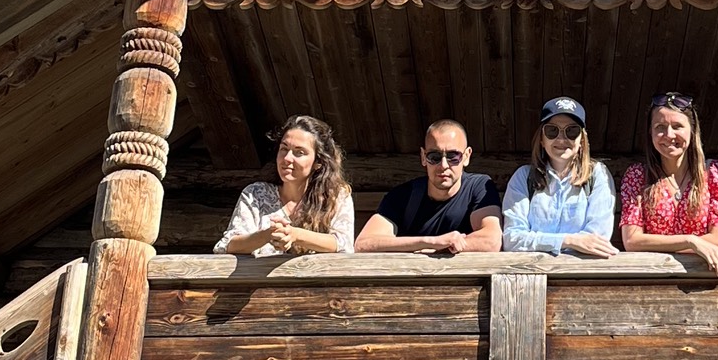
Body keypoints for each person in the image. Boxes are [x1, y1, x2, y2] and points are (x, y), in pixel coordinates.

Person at [619, 91, 718, 277]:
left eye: (677, 126)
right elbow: (632, 241)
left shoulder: (715, 173)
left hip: (703, 279)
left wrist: (660, 245)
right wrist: (691, 242)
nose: (668, 134)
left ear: (692, 129)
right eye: (660, 127)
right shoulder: (637, 176)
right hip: (651, 279)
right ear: (650, 132)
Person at [355, 119, 503, 254]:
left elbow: (491, 241)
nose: (443, 165)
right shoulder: (403, 195)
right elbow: (364, 244)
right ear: (423, 157)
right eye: (434, 157)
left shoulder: (479, 187)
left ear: (466, 157)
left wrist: (443, 248)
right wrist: (430, 242)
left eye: (453, 156)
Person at [214, 114, 354, 257]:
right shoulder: (256, 194)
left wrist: (295, 235)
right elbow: (229, 244)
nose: (287, 158)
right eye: (284, 149)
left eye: (299, 153)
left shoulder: (335, 196)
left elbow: (343, 243)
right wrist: (268, 235)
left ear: (318, 163)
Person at [502, 97, 618, 257]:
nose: (562, 139)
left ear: (582, 140)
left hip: (579, 275)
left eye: (572, 131)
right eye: (552, 131)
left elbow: (597, 239)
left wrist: (539, 242)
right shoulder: (524, 177)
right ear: (542, 139)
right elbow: (512, 239)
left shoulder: (597, 175)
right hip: (531, 274)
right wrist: (567, 241)